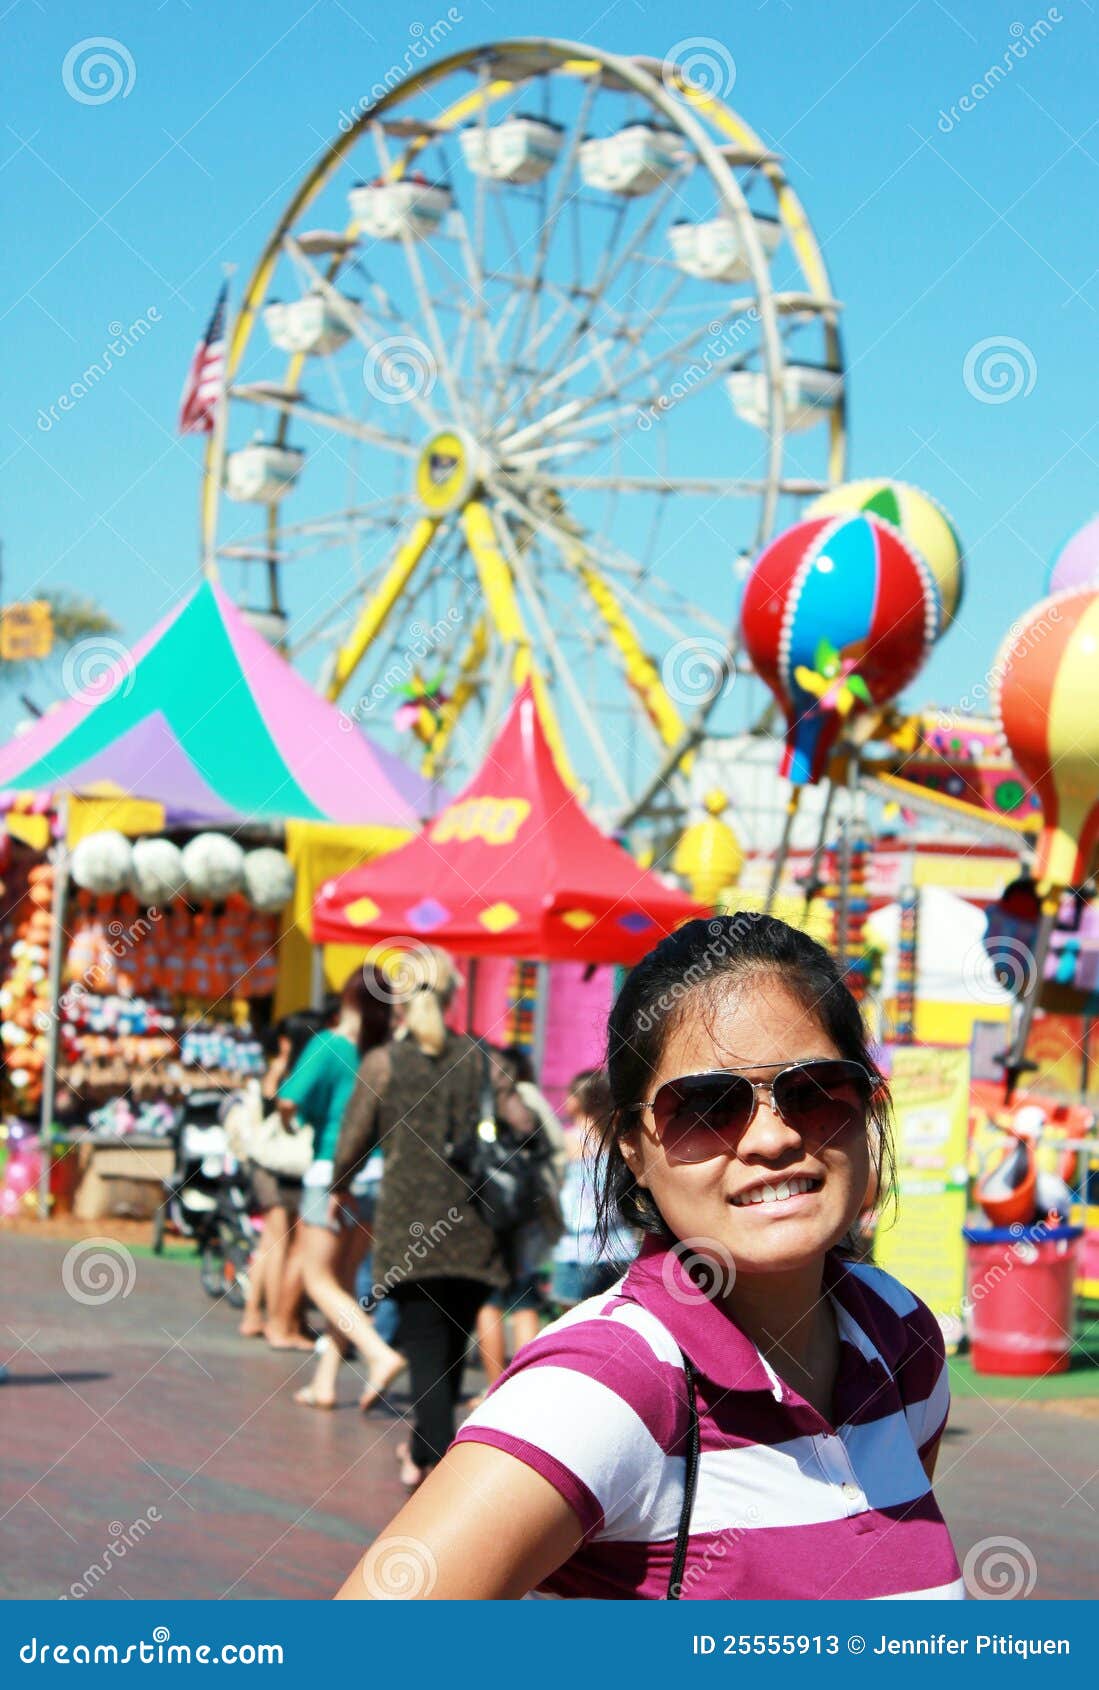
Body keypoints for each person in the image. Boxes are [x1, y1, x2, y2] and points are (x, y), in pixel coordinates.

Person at [337, 914, 963, 1600]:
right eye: (704, 1106)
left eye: (812, 1090)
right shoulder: (607, 1384)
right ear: (632, 1146)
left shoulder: (897, 1335)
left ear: (867, 1104)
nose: (771, 1137)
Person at [330, 947, 537, 1491]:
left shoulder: (383, 1063)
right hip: (474, 1222)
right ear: (450, 996)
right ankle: (424, 1448)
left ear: (399, 999)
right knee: (446, 1348)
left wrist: (340, 1188)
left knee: (425, 1346)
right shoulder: (481, 1059)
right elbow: (526, 1121)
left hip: (408, 1224)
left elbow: (352, 1140)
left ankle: (438, 1456)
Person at [286, 969, 406, 1411]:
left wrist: (296, 1121)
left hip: (331, 1173)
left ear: (348, 998)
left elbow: (287, 1100)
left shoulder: (329, 1045)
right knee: (344, 1283)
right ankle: (325, 1383)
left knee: (316, 1278)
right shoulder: (387, 1054)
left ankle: (377, 1353)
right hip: (375, 1176)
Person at [473, 1045, 567, 1392]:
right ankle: (521, 1390)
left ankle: (494, 1388)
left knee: (489, 1299)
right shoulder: (524, 1097)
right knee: (524, 1295)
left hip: (482, 1212)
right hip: (524, 1210)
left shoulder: (471, 1098)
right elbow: (553, 1144)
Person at [239, 1013, 323, 1348]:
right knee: (279, 1243)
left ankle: (252, 1315)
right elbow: (275, 1102)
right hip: (278, 1165)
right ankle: (278, 1321)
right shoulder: (293, 1069)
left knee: (269, 1243)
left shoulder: (285, 1066)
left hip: (272, 1163)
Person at [550, 1066, 637, 1309]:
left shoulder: (568, 1141)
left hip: (576, 1247)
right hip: (619, 1245)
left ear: (578, 1101)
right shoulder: (617, 1140)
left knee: (570, 1324)